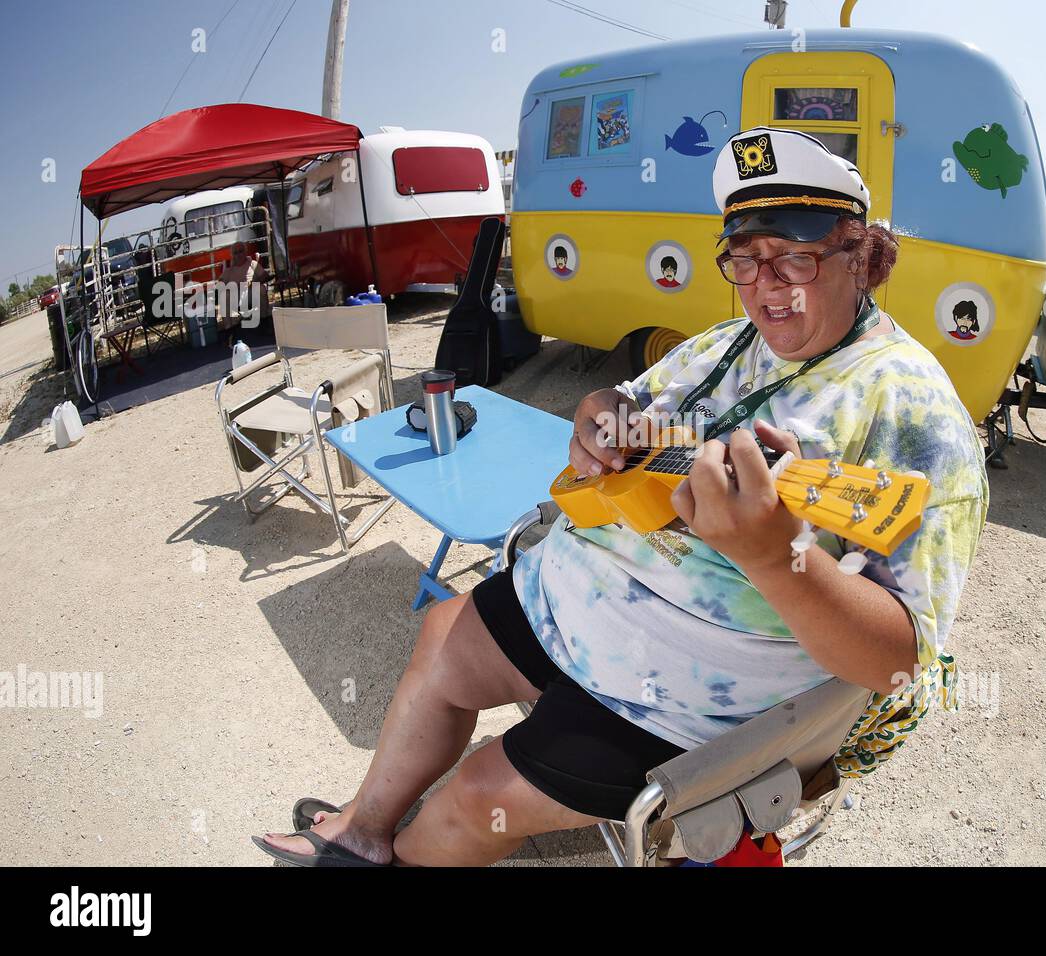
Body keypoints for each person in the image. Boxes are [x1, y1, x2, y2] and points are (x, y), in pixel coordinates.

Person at [252, 126, 989, 866]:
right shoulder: (729, 341)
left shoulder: (916, 413)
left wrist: (778, 558)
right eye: (745, 258)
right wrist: (598, 417)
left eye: (796, 254)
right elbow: (619, 398)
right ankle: (363, 831)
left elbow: (896, 661)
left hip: (686, 700)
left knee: (478, 795)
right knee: (444, 632)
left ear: (863, 255)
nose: (767, 285)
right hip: (574, 596)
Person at [215, 241, 271, 342]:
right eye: (236, 253)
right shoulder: (229, 270)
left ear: (245, 252)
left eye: (241, 251)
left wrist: (254, 282)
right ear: (232, 255)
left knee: (261, 288)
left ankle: (264, 322)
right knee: (224, 296)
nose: (239, 254)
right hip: (235, 296)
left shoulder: (252, 264)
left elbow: (265, 276)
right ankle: (230, 332)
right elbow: (219, 284)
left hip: (251, 292)